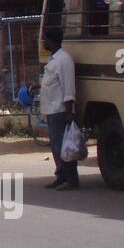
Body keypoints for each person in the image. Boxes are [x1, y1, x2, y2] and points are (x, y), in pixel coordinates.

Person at [40, 28, 79, 190]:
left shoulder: (64, 60)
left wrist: (69, 111)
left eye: (45, 40)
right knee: (56, 146)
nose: (44, 43)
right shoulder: (54, 60)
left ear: (52, 41)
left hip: (60, 110)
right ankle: (61, 175)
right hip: (51, 110)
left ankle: (71, 179)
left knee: (64, 146)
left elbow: (68, 86)